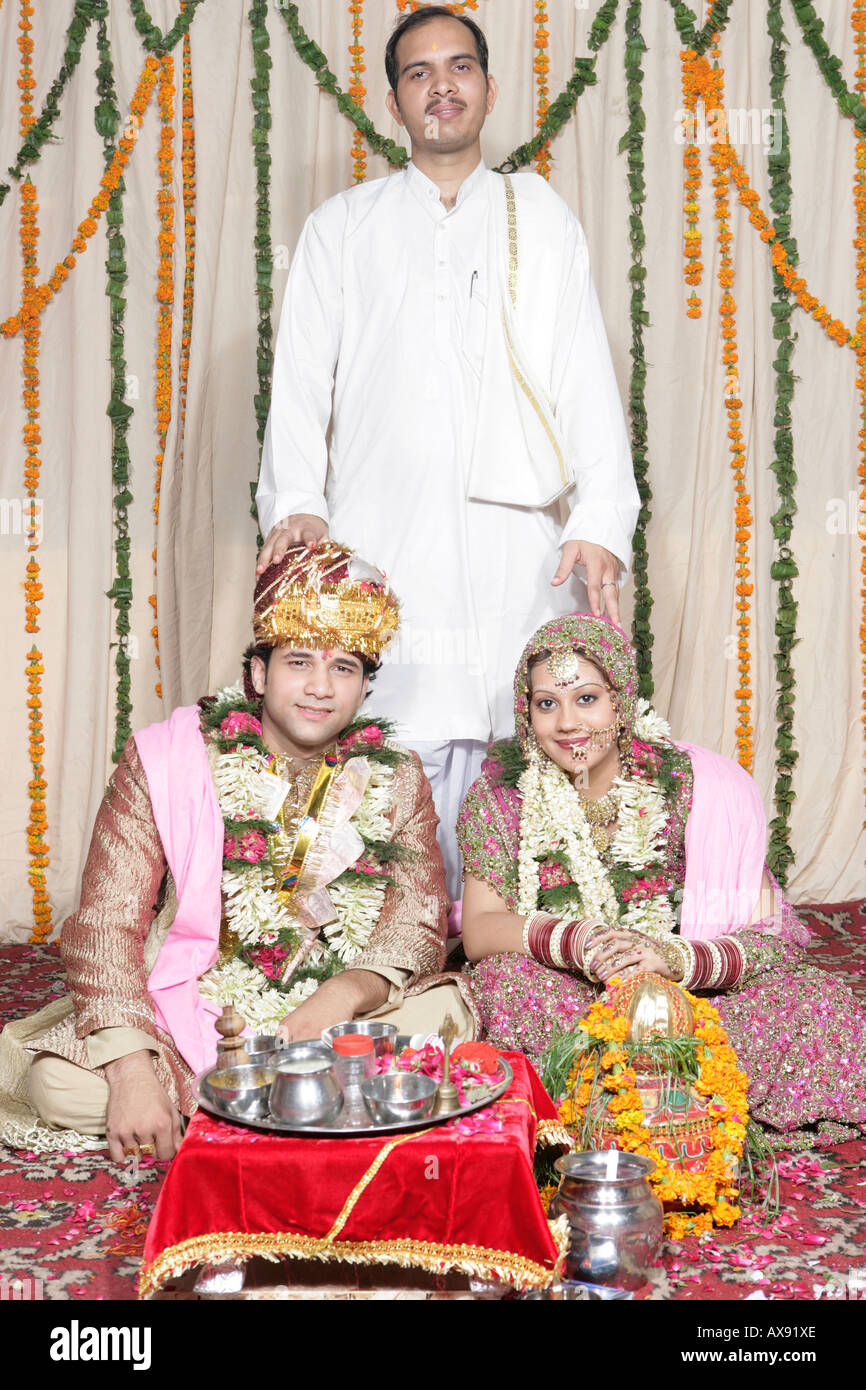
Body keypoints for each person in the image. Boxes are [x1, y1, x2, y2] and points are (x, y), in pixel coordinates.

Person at [255, 6, 640, 897]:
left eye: (459, 67)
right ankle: (395, 938)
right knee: (397, 729)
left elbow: (585, 374)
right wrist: (298, 501)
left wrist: (599, 518)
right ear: (396, 102)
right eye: (420, 73)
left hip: (518, 537)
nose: (442, 87)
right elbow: (302, 380)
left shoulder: (538, 219)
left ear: (488, 88)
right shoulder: (342, 226)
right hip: (383, 526)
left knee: (525, 728)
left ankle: (521, 932)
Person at [0, 542, 476, 1164]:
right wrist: (132, 1073)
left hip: (340, 1008)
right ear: (257, 673)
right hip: (200, 1002)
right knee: (62, 1084)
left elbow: (415, 919)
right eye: (299, 661)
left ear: (364, 687)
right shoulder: (169, 761)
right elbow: (106, 923)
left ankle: (248, 1096)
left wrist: (340, 994)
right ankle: (313, 1095)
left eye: (344, 669)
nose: (319, 688)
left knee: (450, 1019)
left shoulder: (398, 775)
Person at [457, 613, 866, 1147]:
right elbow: (480, 929)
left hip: (687, 992)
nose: (566, 724)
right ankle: (670, 1105)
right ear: (525, 710)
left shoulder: (689, 785)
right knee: (506, 986)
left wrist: (672, 960)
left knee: (817, 1000)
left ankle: (626, 1101)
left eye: (586, 698)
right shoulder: (501, 795)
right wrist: (578, 940)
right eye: (546, 703)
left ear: (622, 700)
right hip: (571, 989)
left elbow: (770, 933)